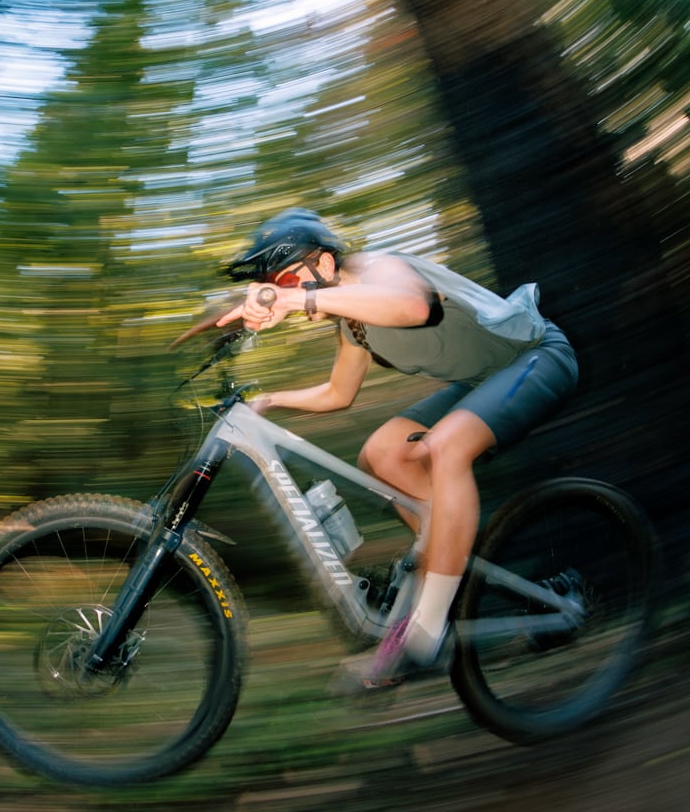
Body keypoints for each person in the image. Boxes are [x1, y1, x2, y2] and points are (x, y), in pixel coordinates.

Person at [216, 208, 579, 688]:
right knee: (380, 453)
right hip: (484, 380)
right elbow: (337, 394)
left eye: (286, 275)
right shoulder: (353, 323)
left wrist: (289, 298)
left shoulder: (376, 269)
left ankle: (425, 630)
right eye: (276, 282)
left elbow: (413, 307)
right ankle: (444, 564)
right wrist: (269, 400)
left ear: (323, 265)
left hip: (538, 356)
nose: (283, 287)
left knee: (445, 446)